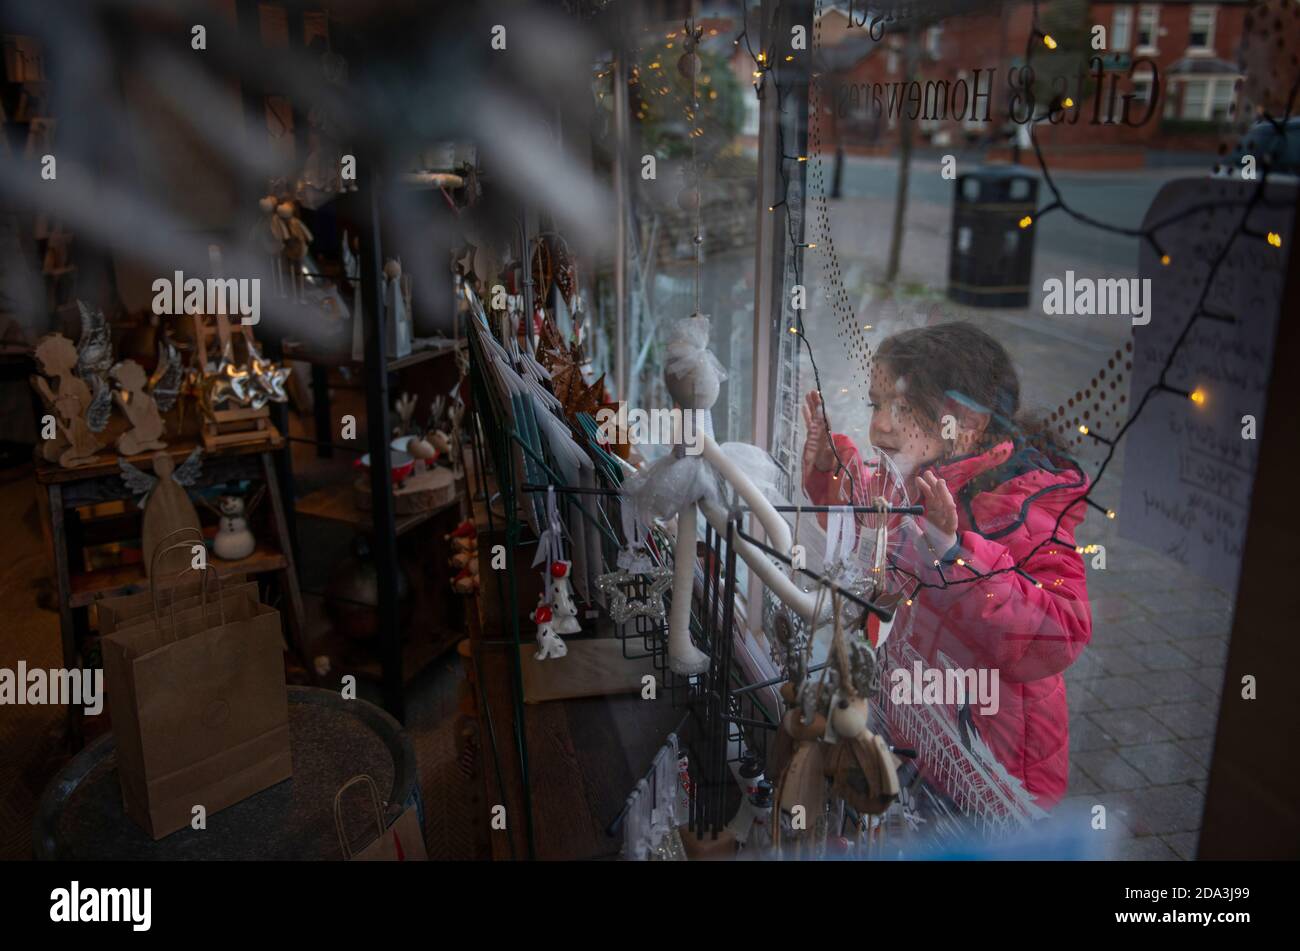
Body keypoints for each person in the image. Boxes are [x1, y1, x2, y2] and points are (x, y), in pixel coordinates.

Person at [802, 322, 1092, 810]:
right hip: (925, 742)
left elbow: (1060, 633)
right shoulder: (921, 480)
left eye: (904, 410)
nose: (880, 427)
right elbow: (874, 514)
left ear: (967, 426)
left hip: (996, 780)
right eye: (877, 406)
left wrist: (953, 552)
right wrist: (833, 464)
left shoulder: (1025, 509)